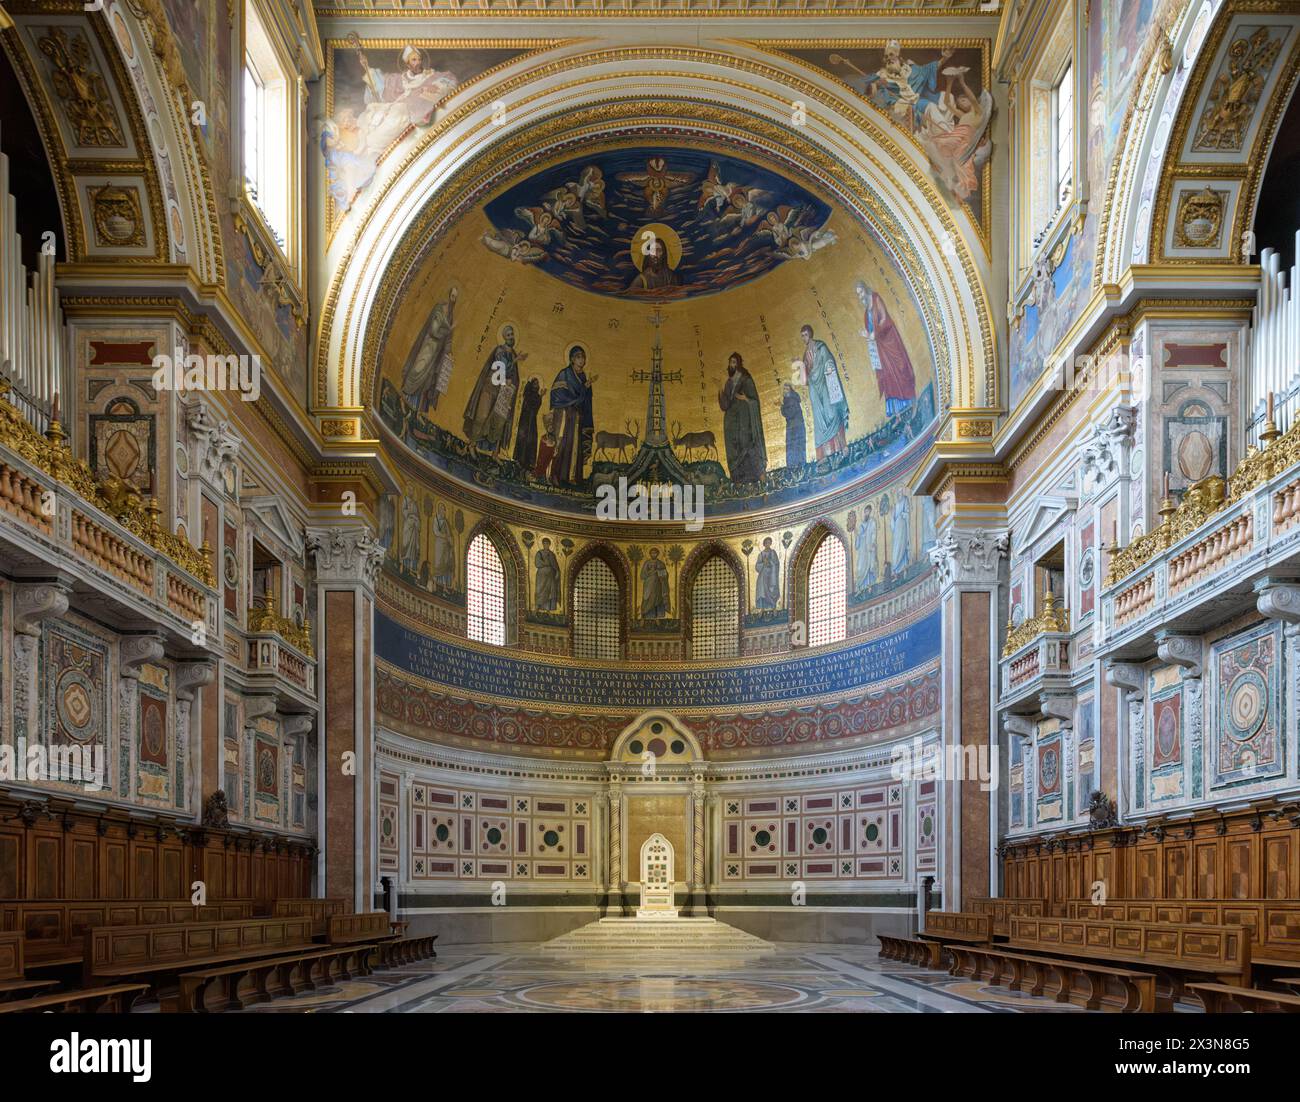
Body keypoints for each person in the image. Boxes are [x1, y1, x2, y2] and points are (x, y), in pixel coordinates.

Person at [855, 282, 916, 417]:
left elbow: (885, 319)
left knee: (900, 369)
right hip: (880, 349)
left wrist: (874, 333)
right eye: (858, 294)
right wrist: (867, 334)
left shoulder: (876, 299)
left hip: (890, 341)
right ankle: (898, 413)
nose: (860, 296)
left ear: (866, 289)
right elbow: (871, 331)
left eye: (861, 292)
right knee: (888, 376)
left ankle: (911, 403)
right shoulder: (866, 313)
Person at [463, 324, 526, 454]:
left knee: (498, 421)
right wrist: (515, 360)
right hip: (491, 386)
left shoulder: (513, 353)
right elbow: (502, 366)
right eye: (508, 335)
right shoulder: (500, 350)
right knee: (482, 415)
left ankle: (493, 452)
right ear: (504, 337)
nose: (511, 337)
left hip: (502, 391)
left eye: (512, 334)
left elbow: (513, 375)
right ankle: (471, 444)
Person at [400, 288, 456, 415]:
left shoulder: (450, 316)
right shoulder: (439, 310)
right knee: (418, 369)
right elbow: (434, 331)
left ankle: (415, 407)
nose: (453, 300)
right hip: (428, 346)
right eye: (452, 296)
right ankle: (404, 395)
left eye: (455, 298)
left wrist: (449, 352)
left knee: (428, 378)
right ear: (448, 295)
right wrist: (449, 329)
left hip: (436, 353)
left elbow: (448, 340)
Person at [798, 325, 849, 459]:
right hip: (814, 389)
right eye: (802, 335)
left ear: (810, 334)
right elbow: (805, 381)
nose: (804, 337)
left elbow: (829, 362)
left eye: (805, 334)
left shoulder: (821, 347)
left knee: (832, 413)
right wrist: (803, 366)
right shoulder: (805, 355)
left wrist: (827, 372)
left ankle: (843, 446)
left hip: (825, 384)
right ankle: (828, 455)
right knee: (820, 420)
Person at [550, 345, 597, 487]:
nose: (582, 359)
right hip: (565, 416)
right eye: (578, 356)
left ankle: (572, 477)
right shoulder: (565, 374)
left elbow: (586, 400)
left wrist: (587, 388)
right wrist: (584, 389)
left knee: (576, 446)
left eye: (583, 357)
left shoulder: (583, 377)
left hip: (578, 418)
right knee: (563, 444)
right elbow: (557, 394)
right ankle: (556, 475)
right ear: (571, 359)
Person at [718, 352, 767, 483]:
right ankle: (740, 481)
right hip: (732, 423)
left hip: (745, 421)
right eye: (730, 362)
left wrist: (746, 398)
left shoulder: (746, 379)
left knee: (747, 446)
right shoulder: (729, 383)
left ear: (738, 364)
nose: (731, 365)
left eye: (733, 362)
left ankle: (759, 480)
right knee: (735, 449)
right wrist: (719, 388)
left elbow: (755, 401)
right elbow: (725, 406)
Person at [513, 376, 545, 471]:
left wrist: (540, 396)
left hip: (532, 421)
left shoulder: (534, 394)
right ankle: (520, 460)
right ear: (531, 385)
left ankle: (528, 462)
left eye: (538, 384)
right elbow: (531, 404)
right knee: (523, 438)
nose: (537, 385)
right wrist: (540, 396)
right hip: (526, 421)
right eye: (535, 383)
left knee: (531, 439)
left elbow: (536, 408)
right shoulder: (528, 393)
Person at [780, 383, 806, 468]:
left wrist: (781, 406)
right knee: (793, 446)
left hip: (795, 426)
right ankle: (795, 464)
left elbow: (789, 413)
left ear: (791, 390)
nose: (785, 391)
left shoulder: (792, 399)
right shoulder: (788, 399)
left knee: (795, 445)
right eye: (784, 389)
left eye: (787, 389)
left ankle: (797, 464)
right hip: (793, 426)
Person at [641, 547, 670, 619]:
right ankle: (648, 615)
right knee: (648, 598)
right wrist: (651, 572)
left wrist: (659, 572)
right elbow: (642, 575)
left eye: (655, 553)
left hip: (658, 585)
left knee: (658, 599)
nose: (653, 554)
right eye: (652, 553)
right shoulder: (647, 563)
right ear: (650, 554)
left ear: (658, 554)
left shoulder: (661, 563)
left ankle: (659, 616)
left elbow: (665, 575)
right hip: (649, 584)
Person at [431, 502, 455, 588]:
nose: (444, 511)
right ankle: (437, 584)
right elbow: (435, 531)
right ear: (439, 510)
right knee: (439, 563)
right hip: (439, 545)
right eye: (442, 509)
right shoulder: (436, 519)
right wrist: (444, 536)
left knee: (445, 564)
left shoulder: (446, 521)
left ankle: (445, 585)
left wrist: (450, 539)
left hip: (446, 546)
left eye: (444, 509)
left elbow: (449, 533)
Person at [855, 505, 878, 593]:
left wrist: (872, 543)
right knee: (861, 566)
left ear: (870, 512)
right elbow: (859, 537)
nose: (866, 513)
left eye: (868, 511)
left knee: (870, 566)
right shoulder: (861, 524)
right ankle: (861, 586)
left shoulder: (872, 522)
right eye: (865, 511)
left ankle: (870, 585)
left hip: (869, 547)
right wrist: (858, 535)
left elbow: (873, 533)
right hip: (862, 549)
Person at [534, 537, 561, 612]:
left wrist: (557, 572)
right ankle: (538, 607)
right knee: (540, 590)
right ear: (542, 544)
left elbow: (555, 565)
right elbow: (537, 563)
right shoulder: (539, 553)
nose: (546, 545)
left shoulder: (552, 554)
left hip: (550, 576)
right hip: (541, 576)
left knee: (550, 591)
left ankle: (548, 609)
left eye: (547, 544)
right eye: (544, 543)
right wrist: (545, 563)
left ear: (549, 545)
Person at [755, 537, 781, 610]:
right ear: (764, 544)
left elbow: (776, 563)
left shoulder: (773, 552)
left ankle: (773, 608)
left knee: (771, 590)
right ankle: (762, 609)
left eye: (769, 543)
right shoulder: (761, 554)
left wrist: (769, 562)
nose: (768, 544)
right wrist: (763, 563)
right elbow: (757, 566)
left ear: (771, 543)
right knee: (762, 590)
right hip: (763, 575)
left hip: (771, 575)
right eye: (766, 543)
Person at [533, 411, 558, 483]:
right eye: (548, 424)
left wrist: (554, 450)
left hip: (550, 465)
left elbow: (554, 452)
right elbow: (541, 456)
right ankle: (541, 475)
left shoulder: (554, 438)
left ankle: (547, 477)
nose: (550, 426)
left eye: (552, 423)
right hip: (542, 466)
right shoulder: (543, 438)